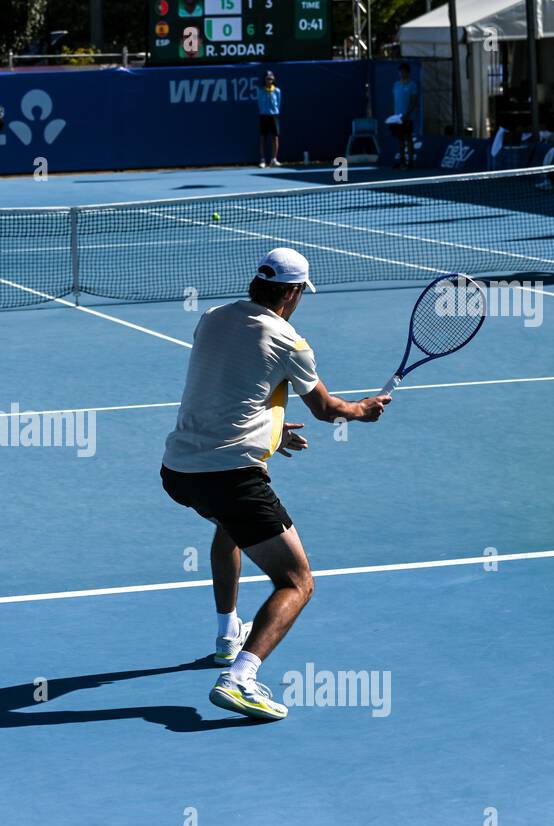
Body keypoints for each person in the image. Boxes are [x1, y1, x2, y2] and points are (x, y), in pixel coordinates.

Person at [160, 248, 390, 720]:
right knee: (297, 582)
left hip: (180, 471)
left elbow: (230, 382)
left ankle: (228, 636)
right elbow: (327, 409)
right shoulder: (291, 341)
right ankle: (240, 678)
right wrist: (362, 410)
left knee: (231, 528)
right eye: (301, 293)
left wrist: (270, 429)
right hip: (231, 476)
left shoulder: (212, 317)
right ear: (292, 292)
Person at [391, 63, 418, 169]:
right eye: (400, 71)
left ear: (408, 72)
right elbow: (395, 101)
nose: (401, 73)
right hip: (397, 118)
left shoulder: (412, 85)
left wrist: (407, 114)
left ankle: (411, 161)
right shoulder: (396, 85)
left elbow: (414, 102)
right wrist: (395, 116)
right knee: (400, 139)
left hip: (408, 117)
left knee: (408, 138)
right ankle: (402, 160)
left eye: (403, 71)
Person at [256, 70, 281, 168]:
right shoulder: (261, 91)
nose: (269, 80)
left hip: (274, 116)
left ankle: (274, 159)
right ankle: (262, 160)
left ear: (273, 79)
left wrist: (274, 112)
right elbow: (259, 104)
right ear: (264, 80)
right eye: (267, 78)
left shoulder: (277, 91)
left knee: (275, 137)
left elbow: (278, 103)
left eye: (270, 78)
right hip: (264, 116)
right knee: (263, 138)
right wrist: (264, 111)